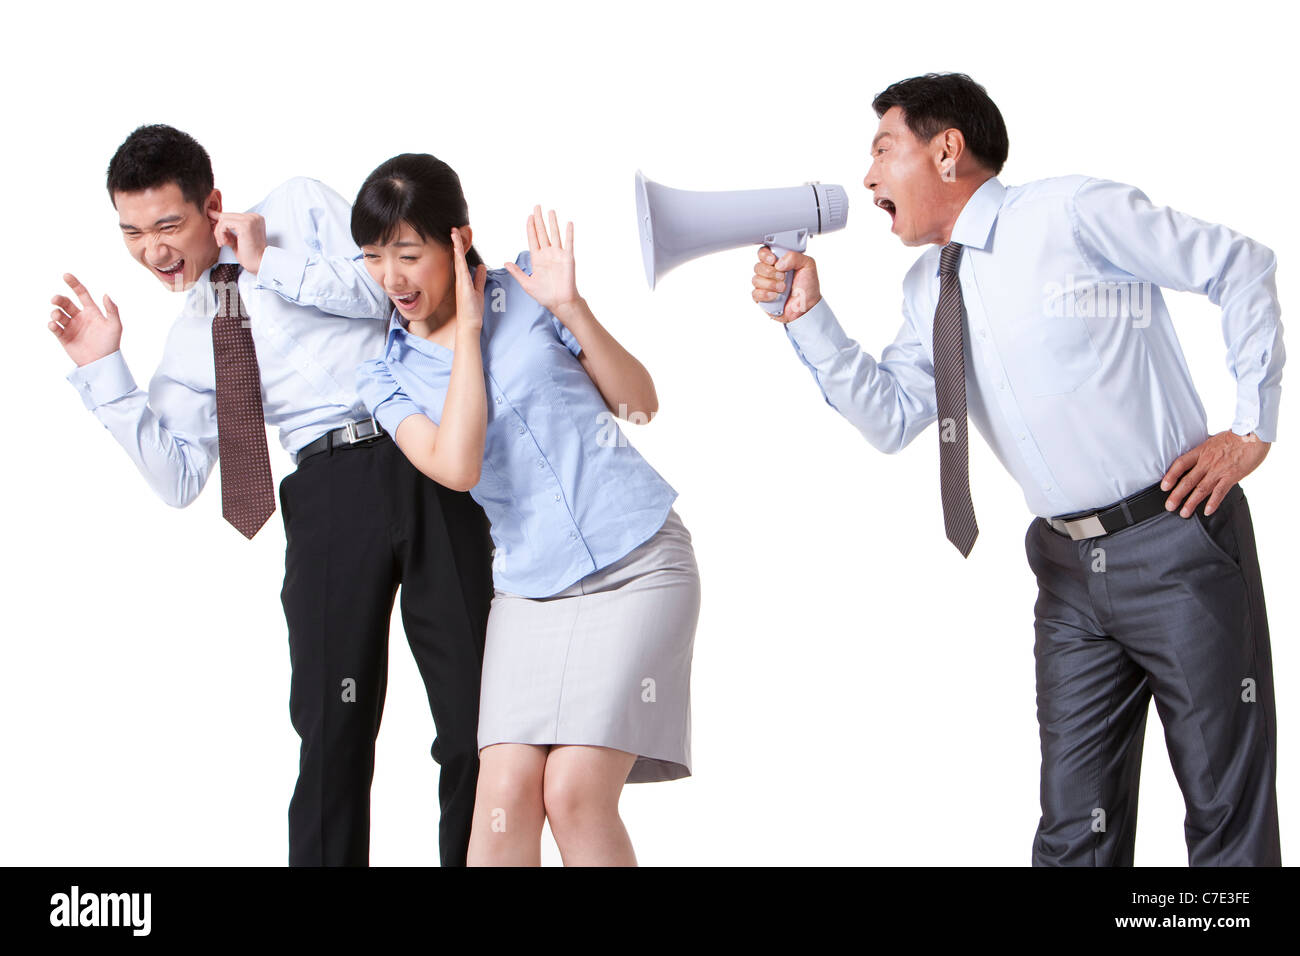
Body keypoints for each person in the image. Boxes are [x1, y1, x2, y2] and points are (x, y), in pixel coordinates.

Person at [749, 73, 1283, 866]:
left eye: (883, 150)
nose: (866, 178)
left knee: (1223, 814)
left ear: (946, 150)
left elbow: (1238, 264)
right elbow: (896, 416)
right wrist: (809, 320)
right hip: (1067, 570)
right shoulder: (928, 286)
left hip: (1175, 542)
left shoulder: (1072, 214)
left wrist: (1251, 428)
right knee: (1075, 830)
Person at [48, 125, 494, 866]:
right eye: (132, 233)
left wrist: (270, 263)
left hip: (423, 450)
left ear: (211, 203)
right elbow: (179, 478)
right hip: (325, 496)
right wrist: (106, 375)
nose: (153, 252)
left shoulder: (296, 208)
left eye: (168, 225)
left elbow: (389, 293)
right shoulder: (191, 341)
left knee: (474, 714)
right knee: (334, 726)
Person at [331, 153, 700, 866]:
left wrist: (571, 307)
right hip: (531, 593)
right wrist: (466, 334)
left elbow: (640, 404)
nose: (392, 278)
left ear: (457, 240)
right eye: (374, 257)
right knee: (500, 806)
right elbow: (457, 465)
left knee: (572, 792)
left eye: (408, 253)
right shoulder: (384, 375)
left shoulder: (529, 290)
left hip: (640, 562)